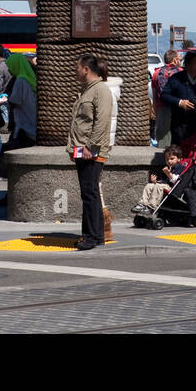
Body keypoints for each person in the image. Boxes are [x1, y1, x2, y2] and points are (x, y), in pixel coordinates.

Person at [66, 52, 114, 251]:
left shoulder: (100, 90)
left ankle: (92, 236)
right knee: (88, 192)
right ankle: (93, 235)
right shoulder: (86, 90)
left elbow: (101, 122)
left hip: (91, 151)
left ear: (86, 69)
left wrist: (89, 146)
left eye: (77, 67)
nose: (75, 71)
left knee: (90, 193)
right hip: (82, 149)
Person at [160, 50, 196, 145]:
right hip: (180, 125)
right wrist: (179, 102)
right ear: (187, 65)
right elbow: (164, 96)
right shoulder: (176, 78)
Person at [132, 144, 186, 214]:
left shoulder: (180, 167)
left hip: (174, 188)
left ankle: (151, 207)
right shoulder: (167, 167)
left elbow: (176, 180)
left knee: (159, 186)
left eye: (172, 159)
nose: (169, 161)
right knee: (149, 185)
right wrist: (155, 181)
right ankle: (142, 204)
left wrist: (168, 173)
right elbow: (163, 180)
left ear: (179, 159)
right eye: (167, 159)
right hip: (164, 186)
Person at [151, 49, 182, 147]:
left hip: (162, 109)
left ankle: (162, 161)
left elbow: (155, 97)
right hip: (179, 108)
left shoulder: (157, 73)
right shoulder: (181, 72)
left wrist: (156, 112)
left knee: (163, 142)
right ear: (175, 59)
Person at [5, 53, 37, 149]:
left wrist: (5, 101)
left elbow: (15, 101)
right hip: (31, 124)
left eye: (10, 66)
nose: (9, 69)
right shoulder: (29, 79)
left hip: (24, 127)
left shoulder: (21, 81)